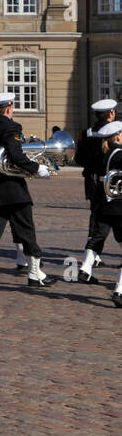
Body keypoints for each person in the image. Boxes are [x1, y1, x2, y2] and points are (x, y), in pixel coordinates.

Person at [0, 93, 55, 289]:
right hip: (12, 189)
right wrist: (37, 169)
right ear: (9, 108)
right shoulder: (11, 127)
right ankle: (35, 273)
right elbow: (17, 156)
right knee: (26, 230)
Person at [79, 98, 117, 285]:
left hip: (92, 181)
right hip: (111, 186)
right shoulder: (115, 133)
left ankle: (91, 258)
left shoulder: (87, 132)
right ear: (111, 113)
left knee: (97, 218)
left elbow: (79, 158)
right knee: (103, 221)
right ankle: (92, 258)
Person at [90, 121, 122, 307]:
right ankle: (118, 290)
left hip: (109, 208)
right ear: (117, 136)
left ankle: (119, 290)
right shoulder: (118, 155)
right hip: (118, 209)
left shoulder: (106, 154)